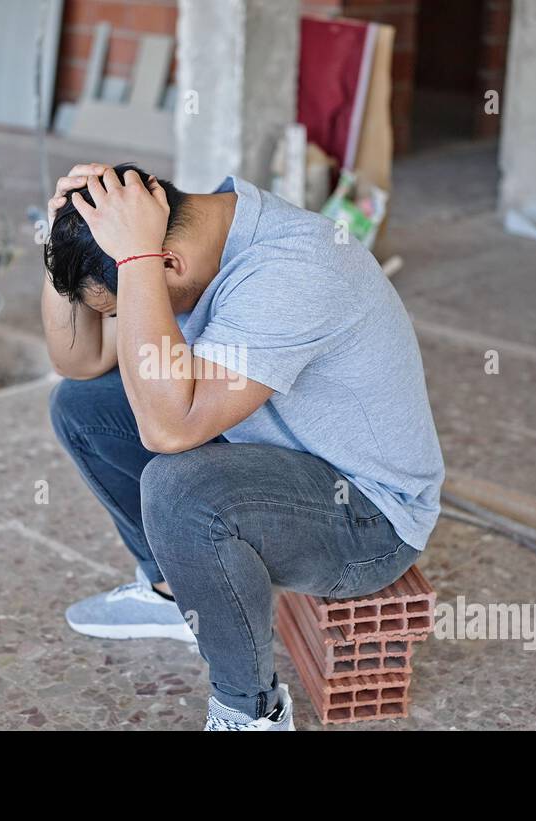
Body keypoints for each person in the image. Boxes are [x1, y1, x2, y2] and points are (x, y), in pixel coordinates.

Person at [41, 161, 443, 731]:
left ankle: (249, 710)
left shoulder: (290, 269)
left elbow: (168, 431)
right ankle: (170, 593)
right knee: (82, 408)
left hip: (367, 518)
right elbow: (77, 361)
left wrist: (135, 266)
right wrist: (63, 232)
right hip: (275, 453)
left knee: (180, 490)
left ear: (166, 262)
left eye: (118, 306)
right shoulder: (203, 235)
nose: (115, 323)